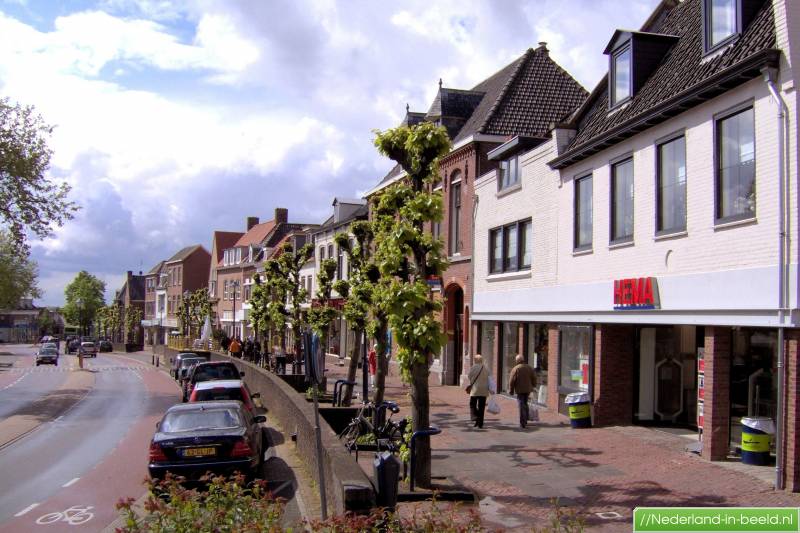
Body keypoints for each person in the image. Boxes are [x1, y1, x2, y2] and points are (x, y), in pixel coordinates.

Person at [509, 354, 537, 428]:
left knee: (521, 404)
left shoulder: (516, 369)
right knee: (525, 403)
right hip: (528, 389)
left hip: (520, 389)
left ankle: (523, 422)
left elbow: (512, 381)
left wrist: (511, 390)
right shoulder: (529, 367)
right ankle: (526, 418)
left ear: (517, 361)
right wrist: (533, 385)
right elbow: (534, 377)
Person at [466, 354, 490, 428]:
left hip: (475, 389)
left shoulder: (473, 367)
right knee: (481, 406)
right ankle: (480, 423)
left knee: (472, 404)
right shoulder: (486, 368)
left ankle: (476, 417)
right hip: (484, 389)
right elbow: (489, 376)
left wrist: (472, 381)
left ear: (475, 360)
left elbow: (469, 376)